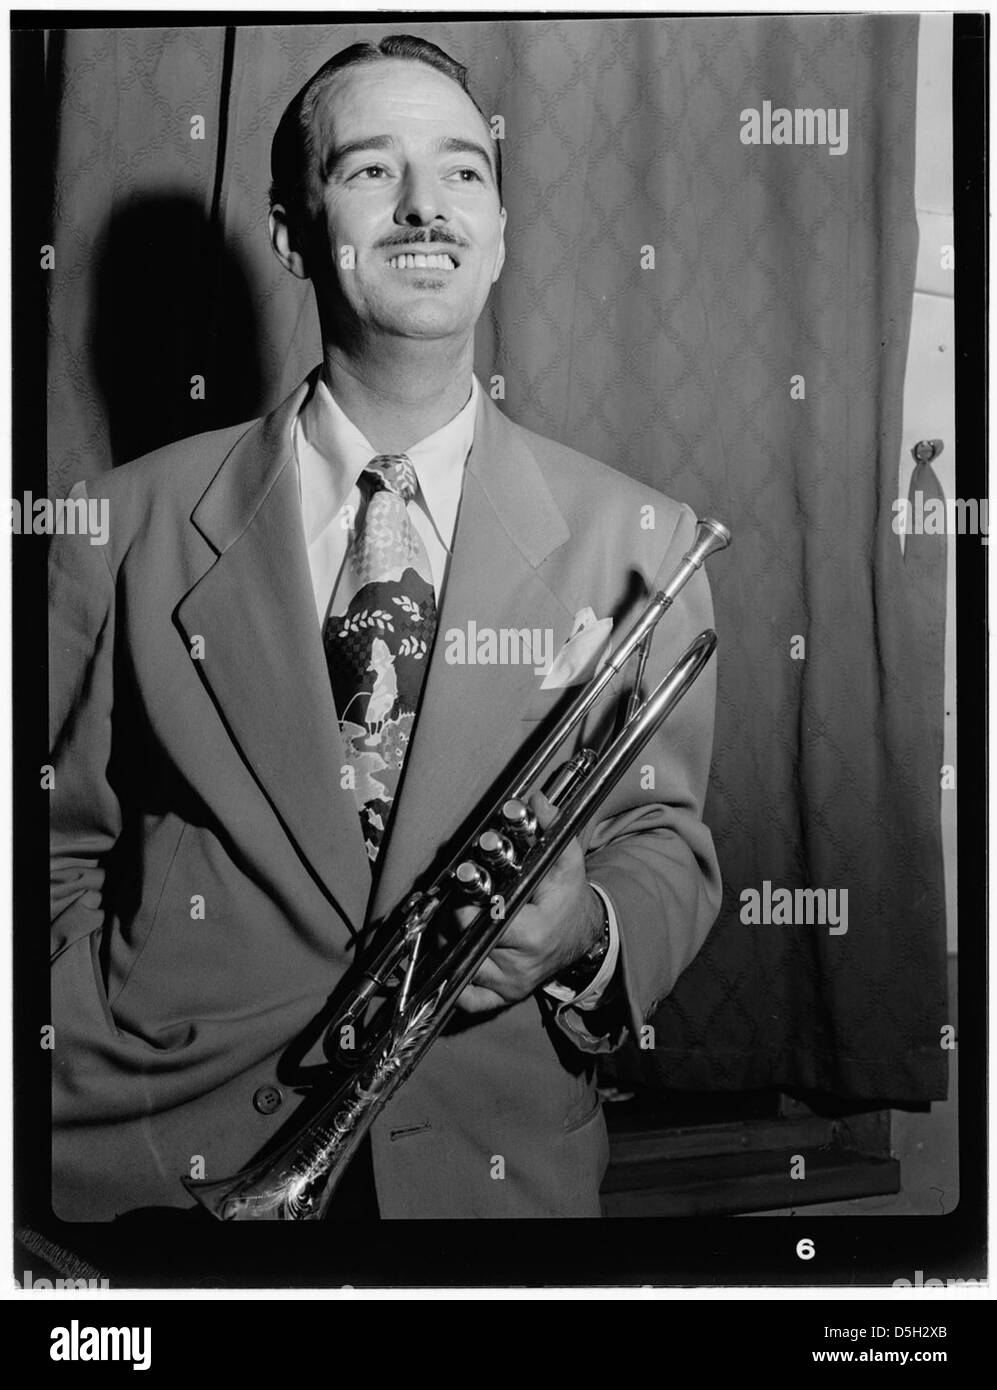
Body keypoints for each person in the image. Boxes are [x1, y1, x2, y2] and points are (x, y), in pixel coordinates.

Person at [48, 34, 722, 1222]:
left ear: (501, 231)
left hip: (488, 1177)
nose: (424, 206)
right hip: (154, 1168)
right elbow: (46, 851)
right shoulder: (114, 526)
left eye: (463, 172)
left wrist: (583, 931)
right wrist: (90, 1050)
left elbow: (664, 838)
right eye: (370, 170)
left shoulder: (643, 540)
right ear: (290, 227)